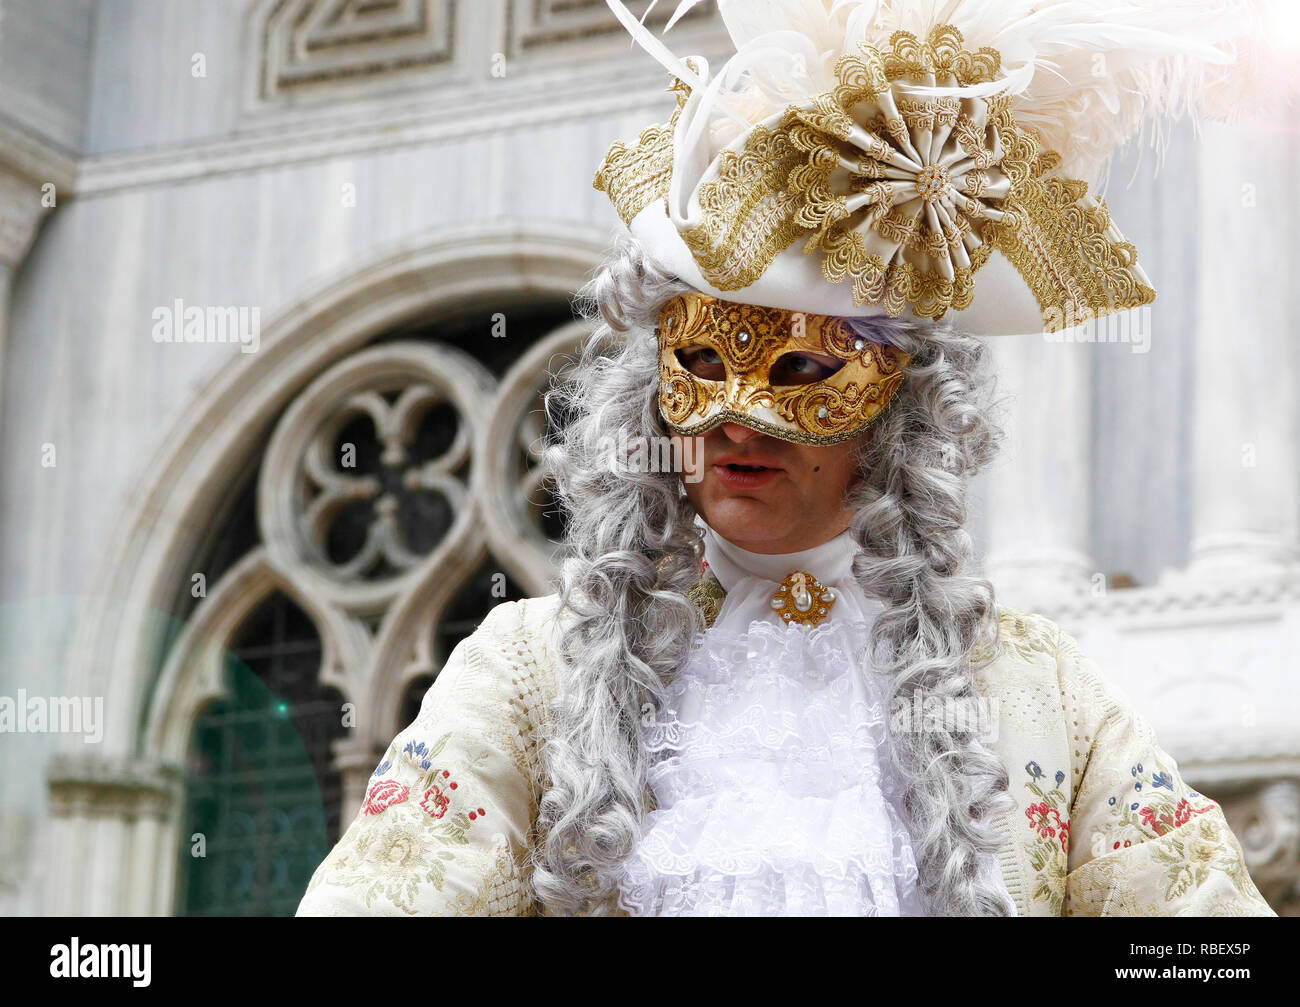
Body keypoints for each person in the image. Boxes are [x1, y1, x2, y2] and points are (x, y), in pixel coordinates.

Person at [296, 0, 1278, 917]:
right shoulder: (528, 676)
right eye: (698, 362)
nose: (734, 419)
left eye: (800, 367)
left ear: (902, 399)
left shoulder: (1038, 693)